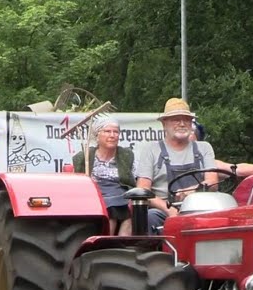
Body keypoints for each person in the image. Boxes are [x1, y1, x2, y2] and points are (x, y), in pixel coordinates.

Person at [133, 98, 217, 231]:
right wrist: (168, 209)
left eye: (186, 119)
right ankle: (153, 250)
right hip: (163, 211)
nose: (182, 123)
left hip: (200, 207)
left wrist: (194, 190)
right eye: (175, 119)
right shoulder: (151, 149)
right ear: (164, 124)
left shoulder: (204, 148)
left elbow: (213, 182)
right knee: (149, 217)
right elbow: (143, 190)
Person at [72, 115, 137, 235]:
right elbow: (76, 183)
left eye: (116, 132)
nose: (112, 135)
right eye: (107, 131)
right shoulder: (84, 157)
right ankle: (107, 245)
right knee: (110, 210)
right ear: (97, 135)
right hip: (96, 195)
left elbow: (132, 182)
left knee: (133, 212)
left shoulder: (126, 155)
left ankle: (122, 246)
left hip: (121, 194)